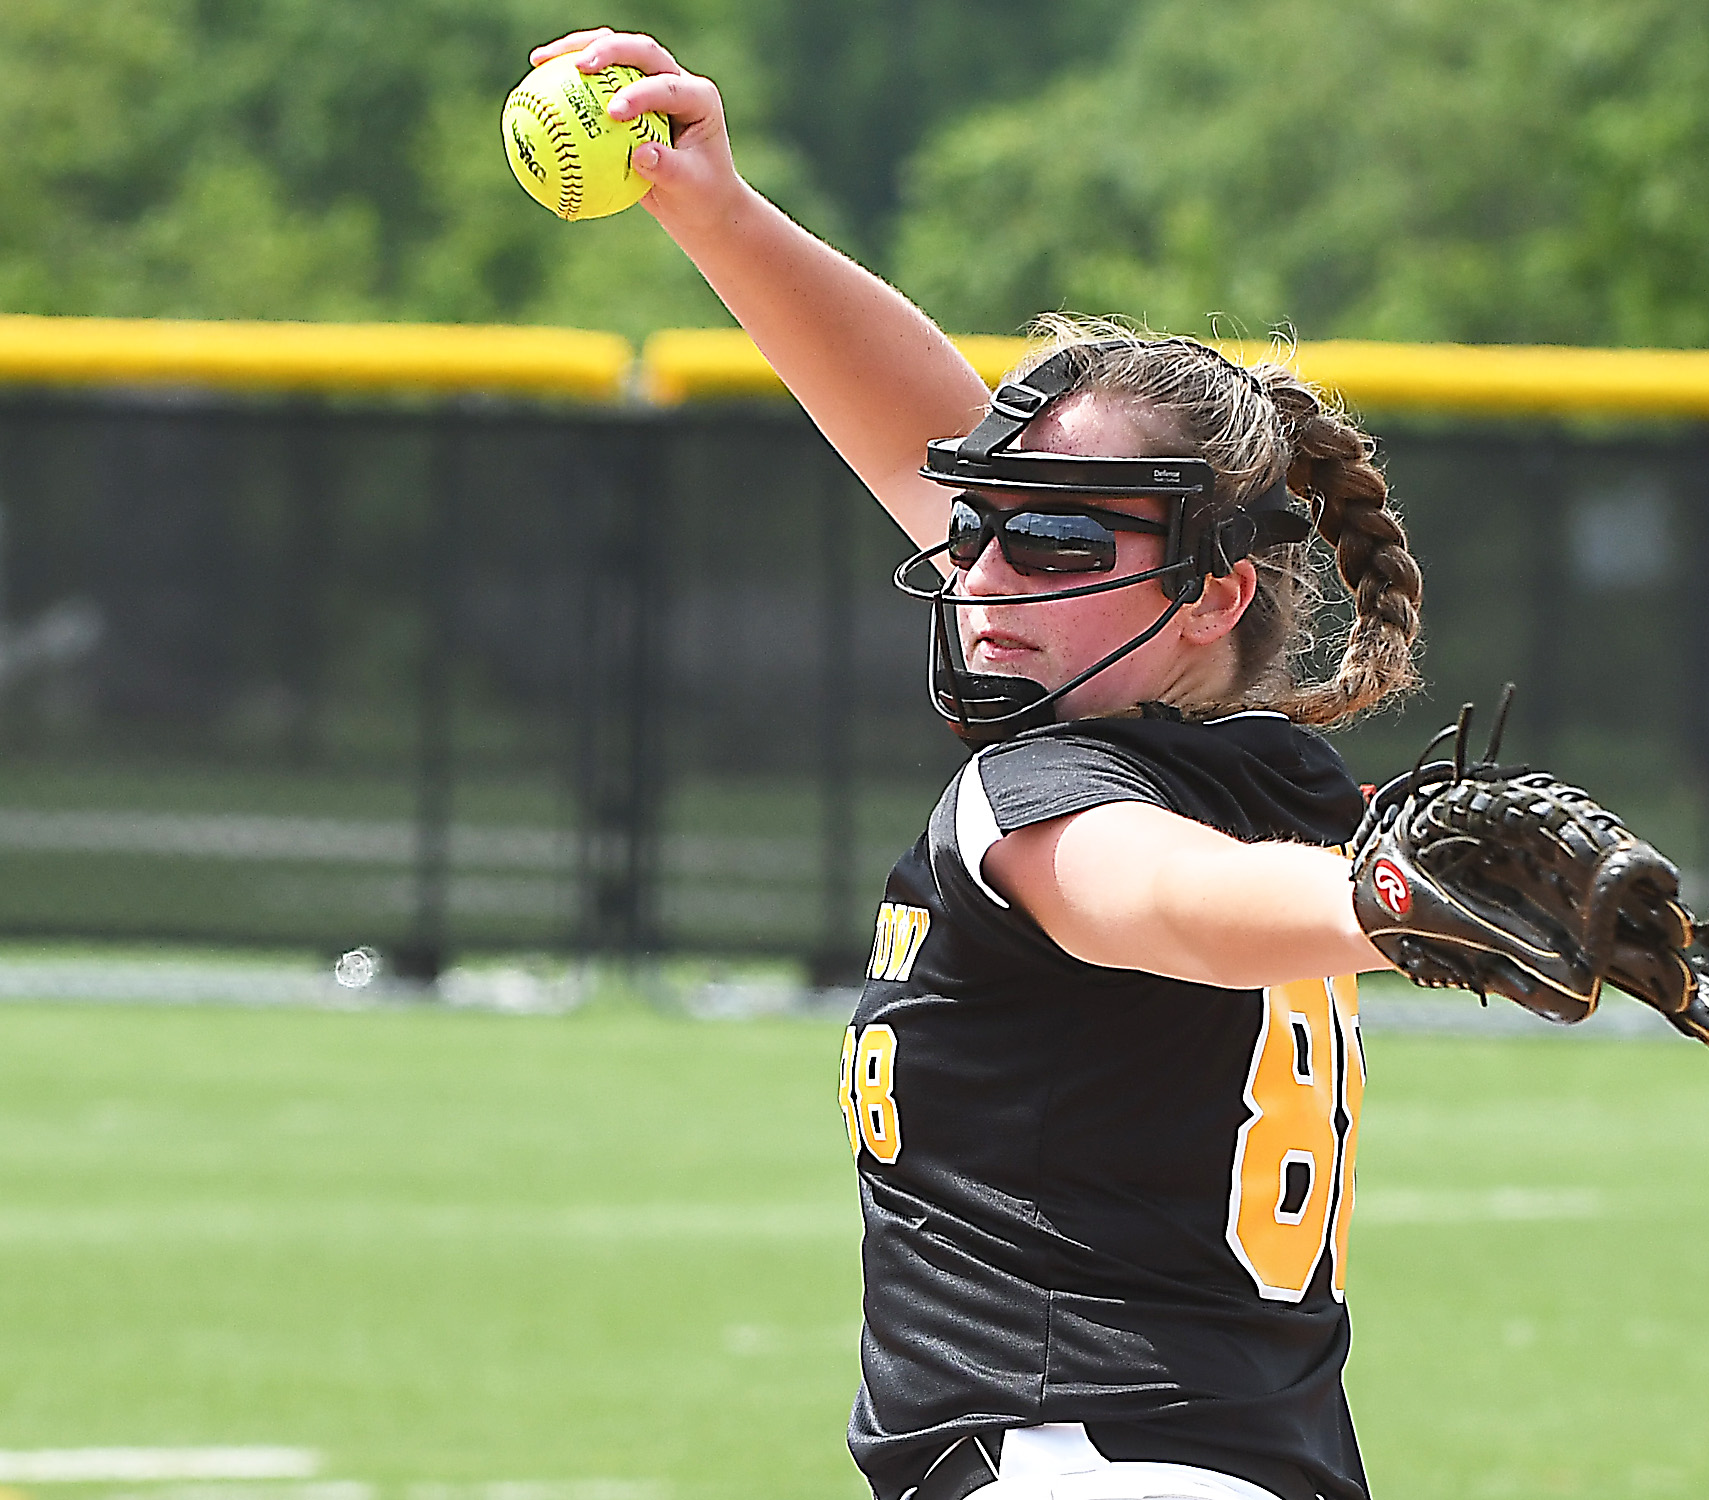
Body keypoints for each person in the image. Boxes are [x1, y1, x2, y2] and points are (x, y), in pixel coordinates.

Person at [529, 27, 1425, 1500]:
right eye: (975, 531)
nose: (982, 574)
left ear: (1210, 591)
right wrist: (721, 216)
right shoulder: (1297, 792)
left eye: (1055, 542)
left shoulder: (1050, 791)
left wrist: (1383, 908)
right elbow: (934, 448)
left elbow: (1152, 898)